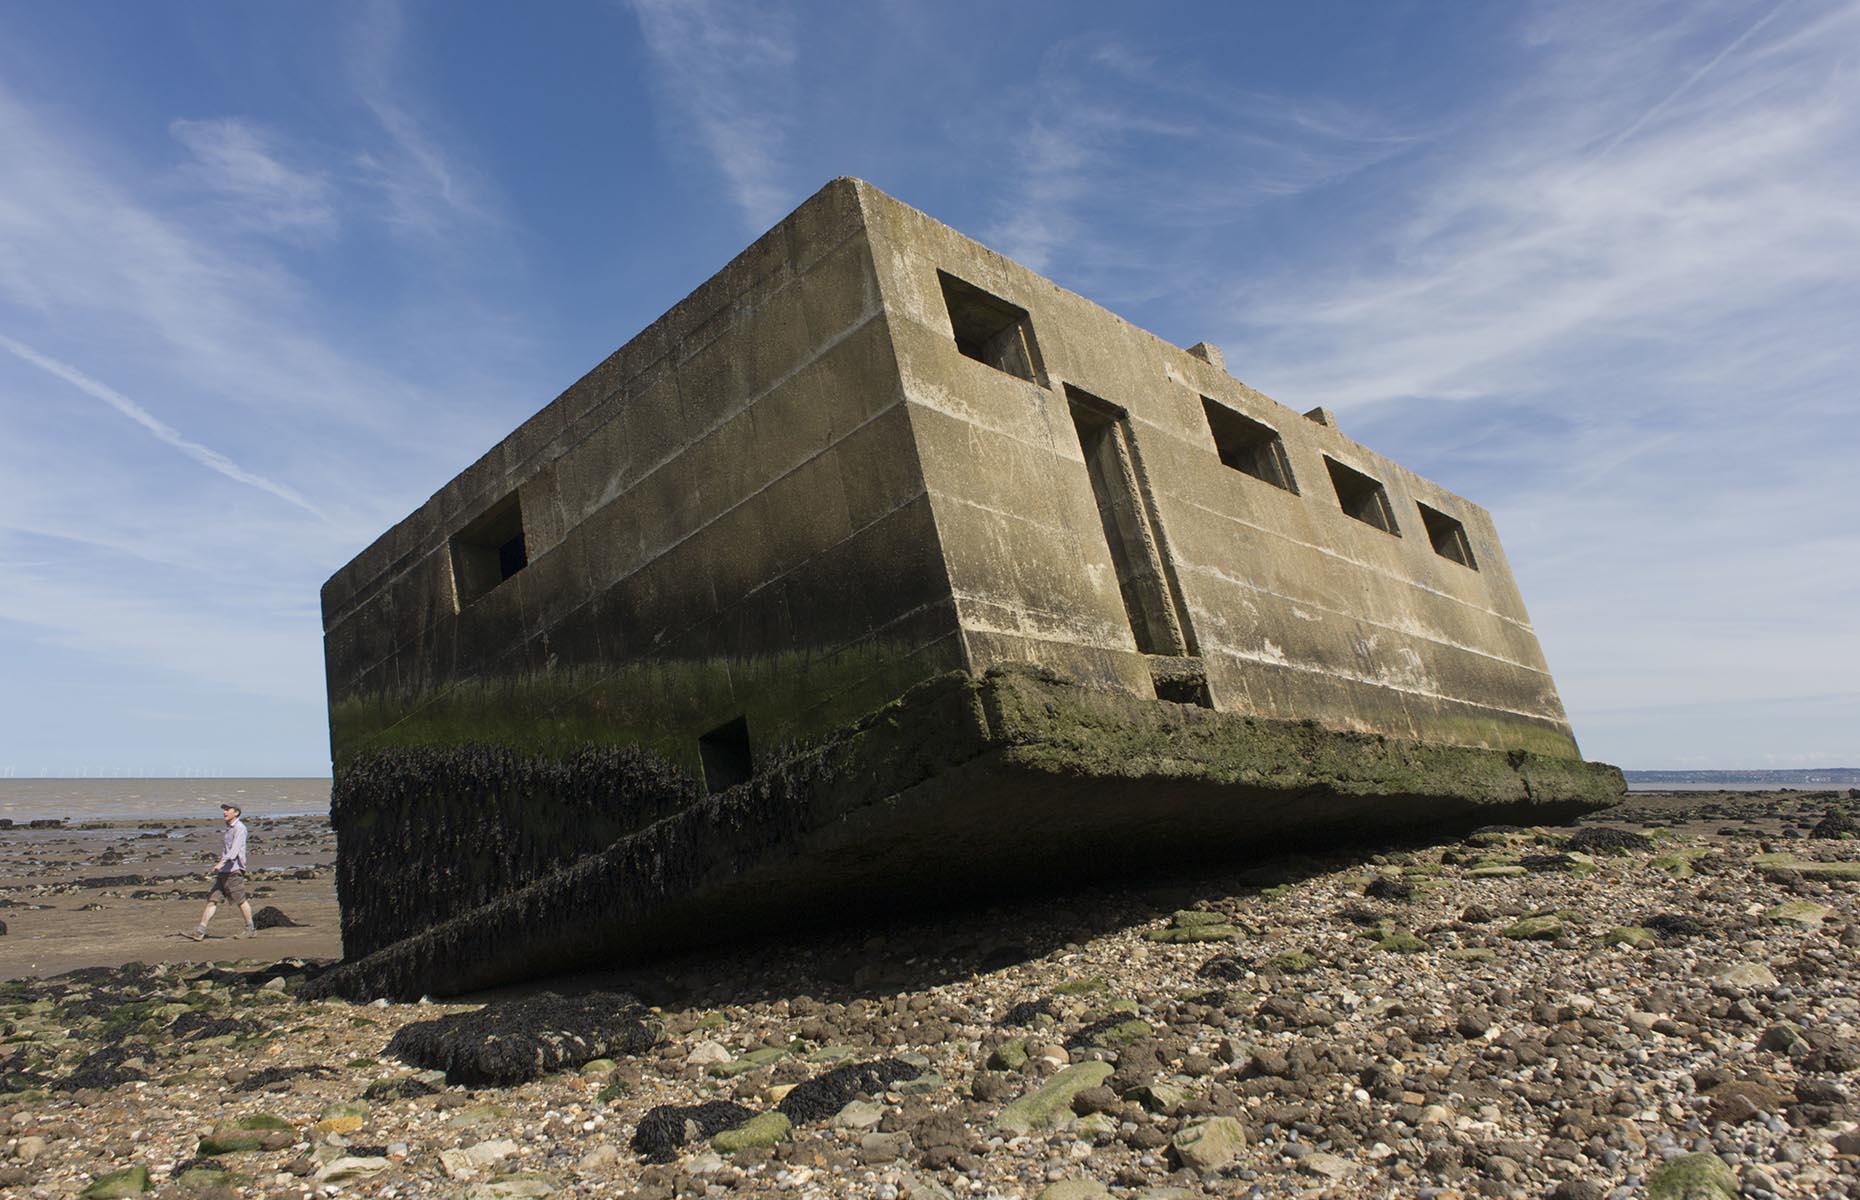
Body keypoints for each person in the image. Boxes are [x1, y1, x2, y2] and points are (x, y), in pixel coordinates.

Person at [185, 802, 256, 940]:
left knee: (240, 900)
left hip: (234, 870)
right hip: (224, 871)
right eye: (224, 809)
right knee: (212, 899)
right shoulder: (229, 828)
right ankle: (200, 931)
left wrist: (221, 863)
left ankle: (250, 929)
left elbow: (234, 850)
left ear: (236, 812)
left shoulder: (240, 828)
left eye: (228, 809)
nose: (224, 812)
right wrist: (221, 866)